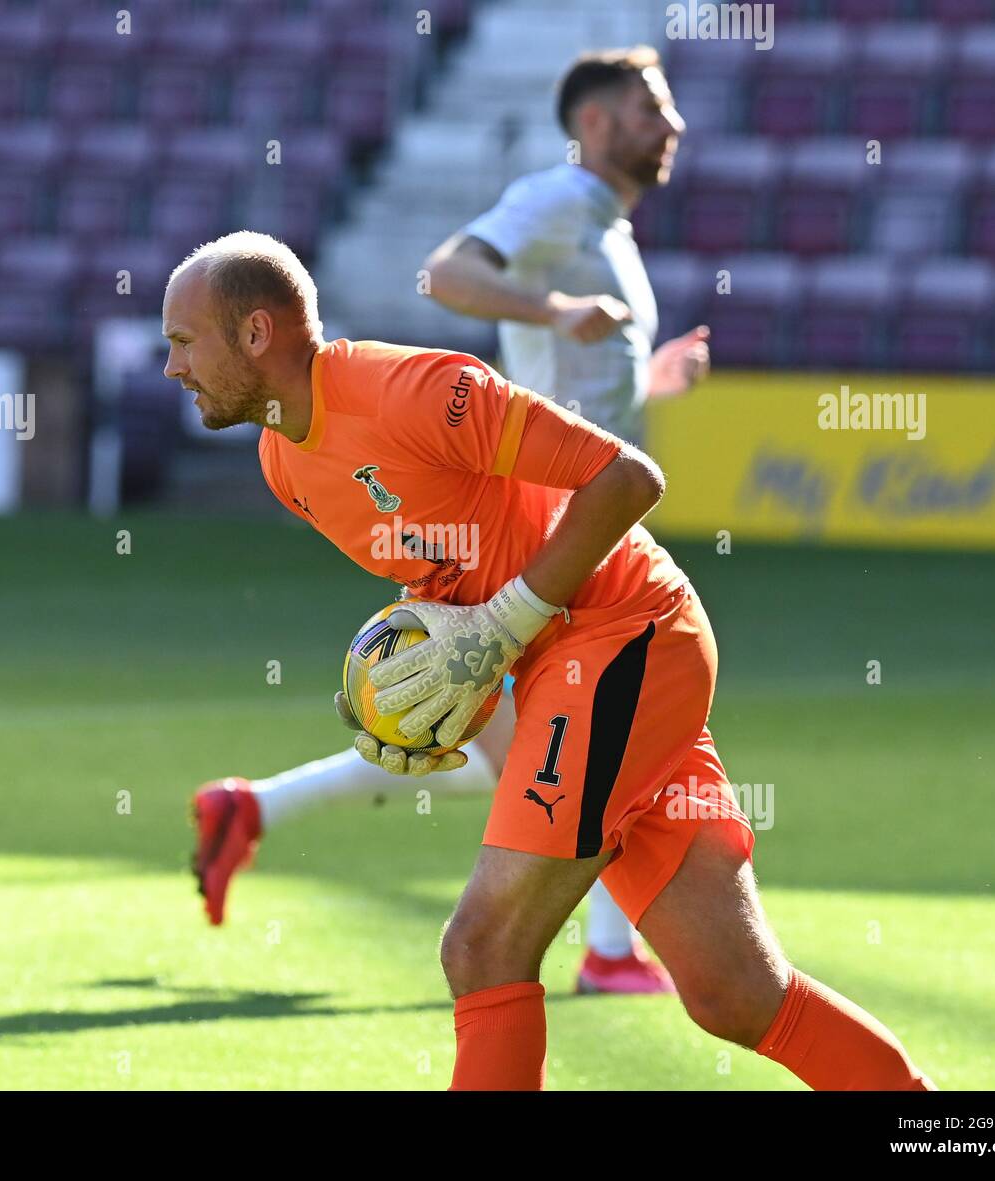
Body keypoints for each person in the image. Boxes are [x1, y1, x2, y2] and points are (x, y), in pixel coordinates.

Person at [164, 230, 936, 1091]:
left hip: (625, 632)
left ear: (258, 333)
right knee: (734, 992)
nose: (172, 367)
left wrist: (500, 626)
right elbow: (451, 573)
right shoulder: (283, 461)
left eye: (183, 341)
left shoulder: (418, 391)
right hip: (568, 665)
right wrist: (424, 695)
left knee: (484, 944)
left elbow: (628, 479)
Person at [192, 47, 711, 994]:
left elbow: (585, 386)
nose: (670, 125)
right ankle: (603, 950)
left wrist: (648, 375)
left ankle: (254, 807)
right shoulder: (559, 199)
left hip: (580, 518)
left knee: (527, 754)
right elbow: (451, 273)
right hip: (547, 526)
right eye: (651, 107)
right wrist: (554, 307)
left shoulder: (610, 229)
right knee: (573, 758)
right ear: (593, 122)